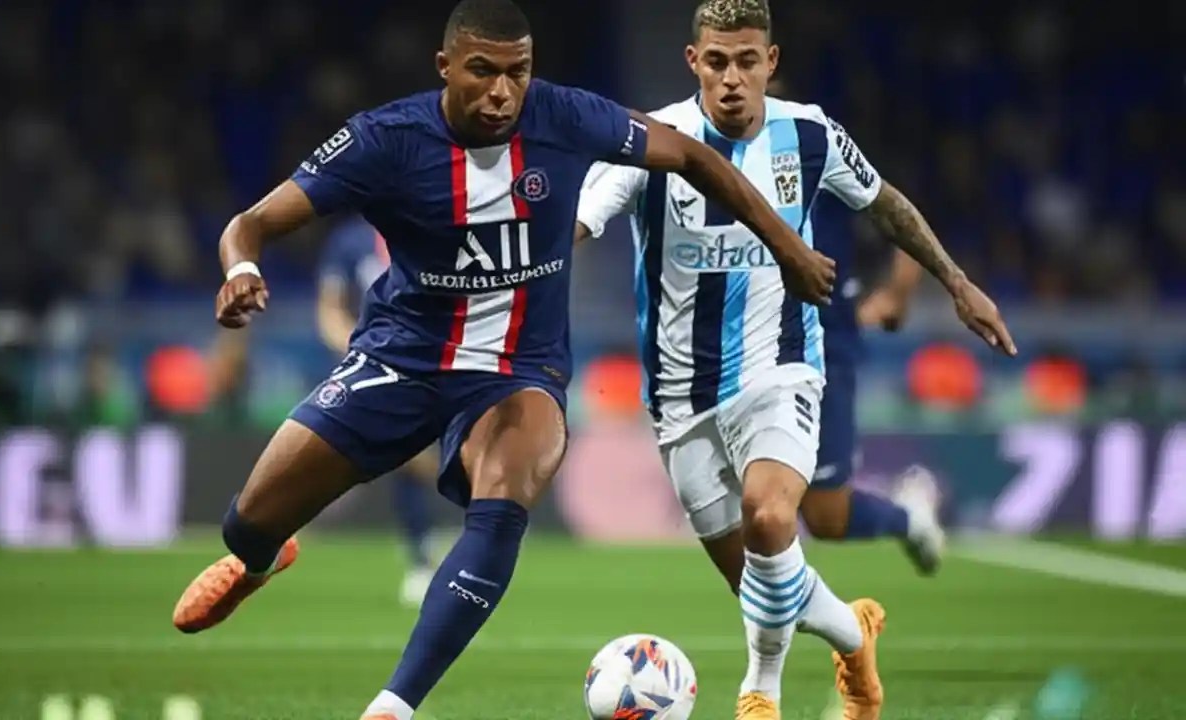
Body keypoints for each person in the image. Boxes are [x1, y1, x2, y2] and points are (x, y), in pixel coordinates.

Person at [169, 1, 836, 719]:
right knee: (248, 523)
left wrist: (789, 249)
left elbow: (697, 156)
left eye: (518, 73)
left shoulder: (568, 117)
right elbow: (254, 223)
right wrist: (240, 269)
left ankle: (394, 706)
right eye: (483, 72)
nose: (502, 93)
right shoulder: (383, 140)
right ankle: (261, 560)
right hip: (401, 358)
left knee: (506, 493)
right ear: (446, 67)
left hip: (520, 372)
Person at [574, 1, 1016, 718]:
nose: (731, 79)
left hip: (780, 367)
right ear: (694, 63)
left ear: (769, 63)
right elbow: (580, 222)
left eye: (747, 61)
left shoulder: (810, 133)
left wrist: (956, 283)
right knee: (761, 581)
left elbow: (886, 204)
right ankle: (853, 632)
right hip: (679, 396)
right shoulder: (653, 142)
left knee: (771, 519)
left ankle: (761, 692)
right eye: (716, 61)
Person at [206, 215, 441, 608]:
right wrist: (360, 345)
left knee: (414, 460)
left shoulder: (427, 225)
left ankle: (423, 556)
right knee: (398, 458)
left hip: (428, 361)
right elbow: (328, 309)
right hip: (364, 360)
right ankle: (418, 557)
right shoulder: (350, 242)